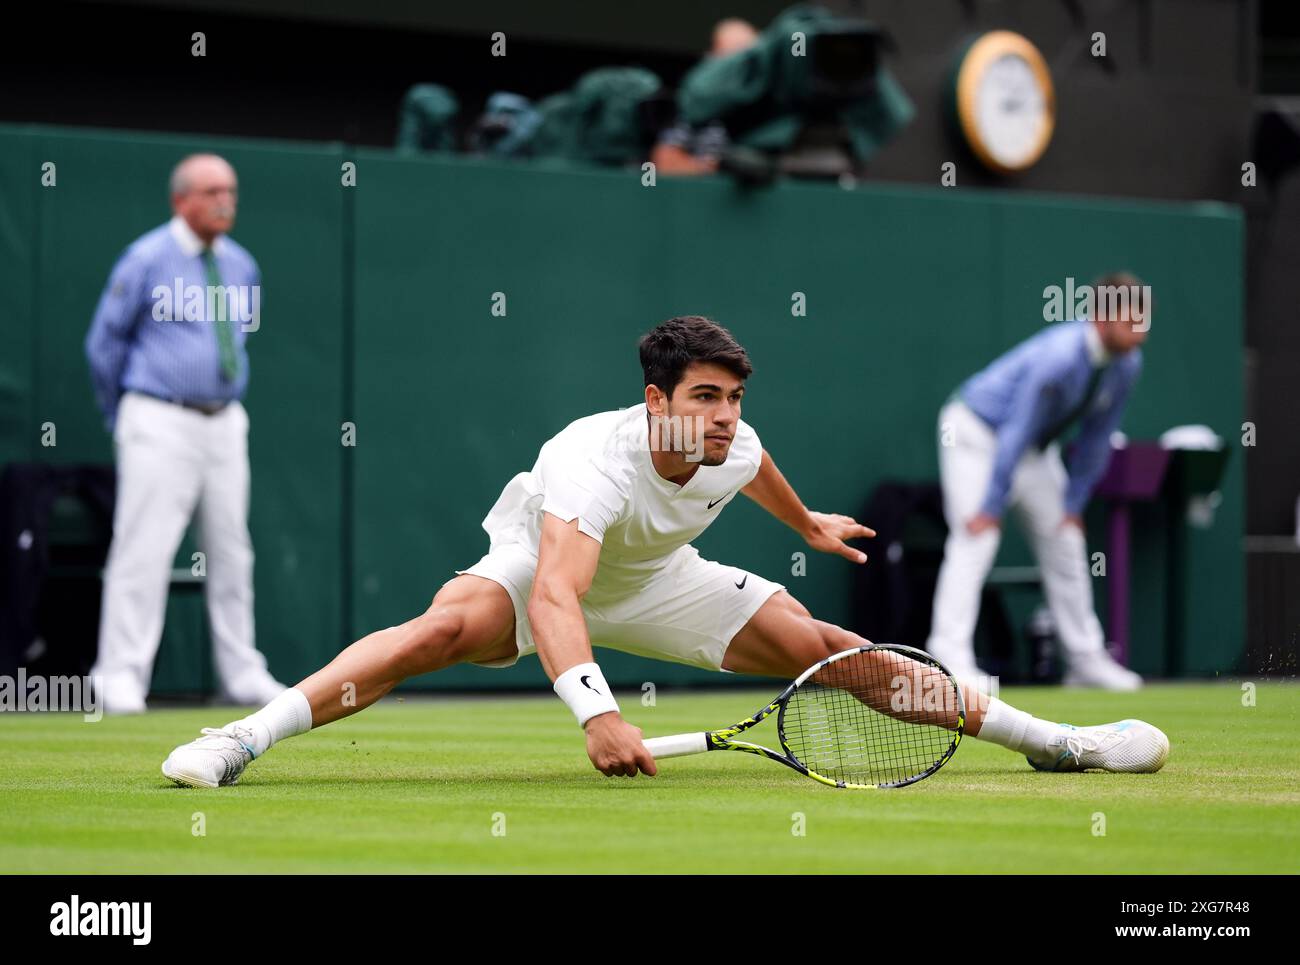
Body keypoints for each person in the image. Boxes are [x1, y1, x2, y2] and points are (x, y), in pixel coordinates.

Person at [161, 316, 1168, 788]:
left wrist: (806, 523)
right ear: (656, 400)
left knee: (835, 649)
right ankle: (239, 738)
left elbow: (758, 470)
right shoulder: (589, 462)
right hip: (545, 569)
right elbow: (556, 597)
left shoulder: (738, 442)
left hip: (660, 583)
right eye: (705, 398)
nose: (726, 417)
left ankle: (1055, 741)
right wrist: (598, 715)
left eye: (735, 397)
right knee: (436, 632)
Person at [85, 153, 284, 714]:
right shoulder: (145, 258)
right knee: (143, 547)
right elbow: (104, 345)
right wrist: (125, 415)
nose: (225, 201)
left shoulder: (241, 264)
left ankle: (242, 672)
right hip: (158, 417)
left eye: (231, 191)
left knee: (231, 550)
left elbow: (236, 340)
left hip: (225, 422)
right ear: (181, 200)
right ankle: (119, 676)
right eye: (212, 191)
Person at [925, 273, 1150, 691]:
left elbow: (1097, 437)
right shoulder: (1060, 357)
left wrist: (1074, 504)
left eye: (1144, 320)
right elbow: (1016, 427)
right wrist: (991, 505)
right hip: (975, 432)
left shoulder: (1127, 365)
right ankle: (949, 655)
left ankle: (1085, 660)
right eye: (1130, 320)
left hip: (1030, 448)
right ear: (1101, 318)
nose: (1141, 331)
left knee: (1066, 538)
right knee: (977, 537)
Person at [650, 18, 758, 176]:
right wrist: (713, 169)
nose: (738, 67)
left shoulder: (773, 105)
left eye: (747, 57)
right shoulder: (696, 106)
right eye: (730, 57)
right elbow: (665, 160)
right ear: (712, 58)